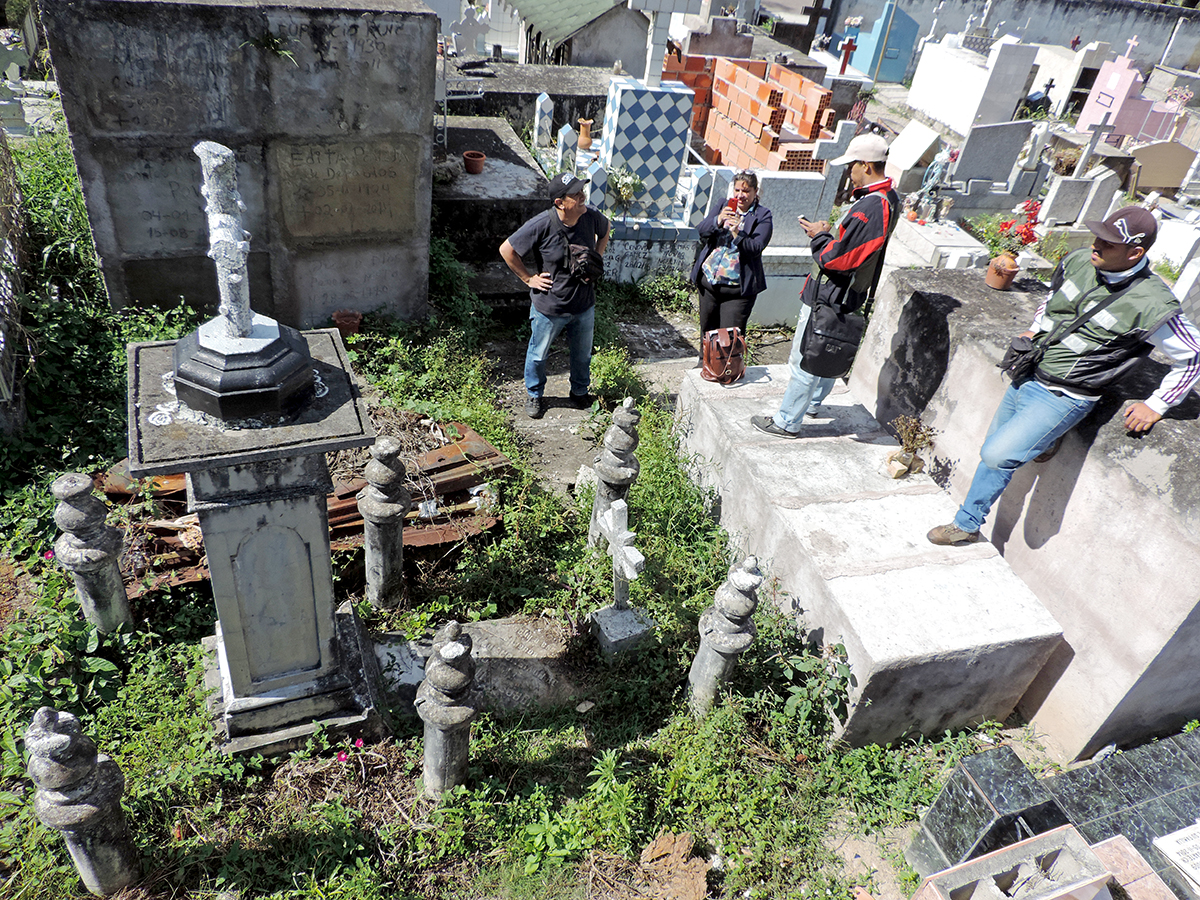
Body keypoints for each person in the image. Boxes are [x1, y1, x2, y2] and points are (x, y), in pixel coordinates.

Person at [928, 206, 1200, 546]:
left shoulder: (1152, 302)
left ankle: (968, 521)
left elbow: (1193, 355)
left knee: (997, 454)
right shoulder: (1079, 262)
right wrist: (1035, 329)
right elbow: (1054, 300)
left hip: (1065, 394)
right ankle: (970, 521)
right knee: (993, 453)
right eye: (1098, 236)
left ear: (1136, 252)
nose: (1096, 246)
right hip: (1031, 369)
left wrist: (1157, 404)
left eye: (1110, 243)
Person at [751, 133, 898, 437]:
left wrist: (819, 236)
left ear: (867, 165)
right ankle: (814, 404)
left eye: (853, 166)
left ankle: (787, 422)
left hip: (832, 293)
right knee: (831, 348)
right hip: (851, 293)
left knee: (808, 356)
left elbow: (838, 259)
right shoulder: (889, 199)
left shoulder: (870, 207)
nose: (850, 172)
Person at [500, 172, 610, 419]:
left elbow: (606, 229)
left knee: (582, 354)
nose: (582, 196)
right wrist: (529, 278)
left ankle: (579, 392)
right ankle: (535, 394)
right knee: (538, 355)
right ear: (560, 202)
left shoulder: (590, 217)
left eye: (582, 191)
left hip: (583, 305)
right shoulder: (542, 224)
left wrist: (597, 256)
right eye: (576, 194)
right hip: (550, 308)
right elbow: (507, 249)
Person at [691, 171, 773, 338]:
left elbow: (755, 248)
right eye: (737, 191)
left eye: (746, 191)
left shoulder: (762, 215)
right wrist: (718, 220)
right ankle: (704, 363)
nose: (740, 196)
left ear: (755, 192)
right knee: (707, 331)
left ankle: (725, 365)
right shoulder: (723, 205)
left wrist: (737, 232)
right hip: (709, 284)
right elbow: (700, 231)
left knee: (728, 338)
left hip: (737, 291)